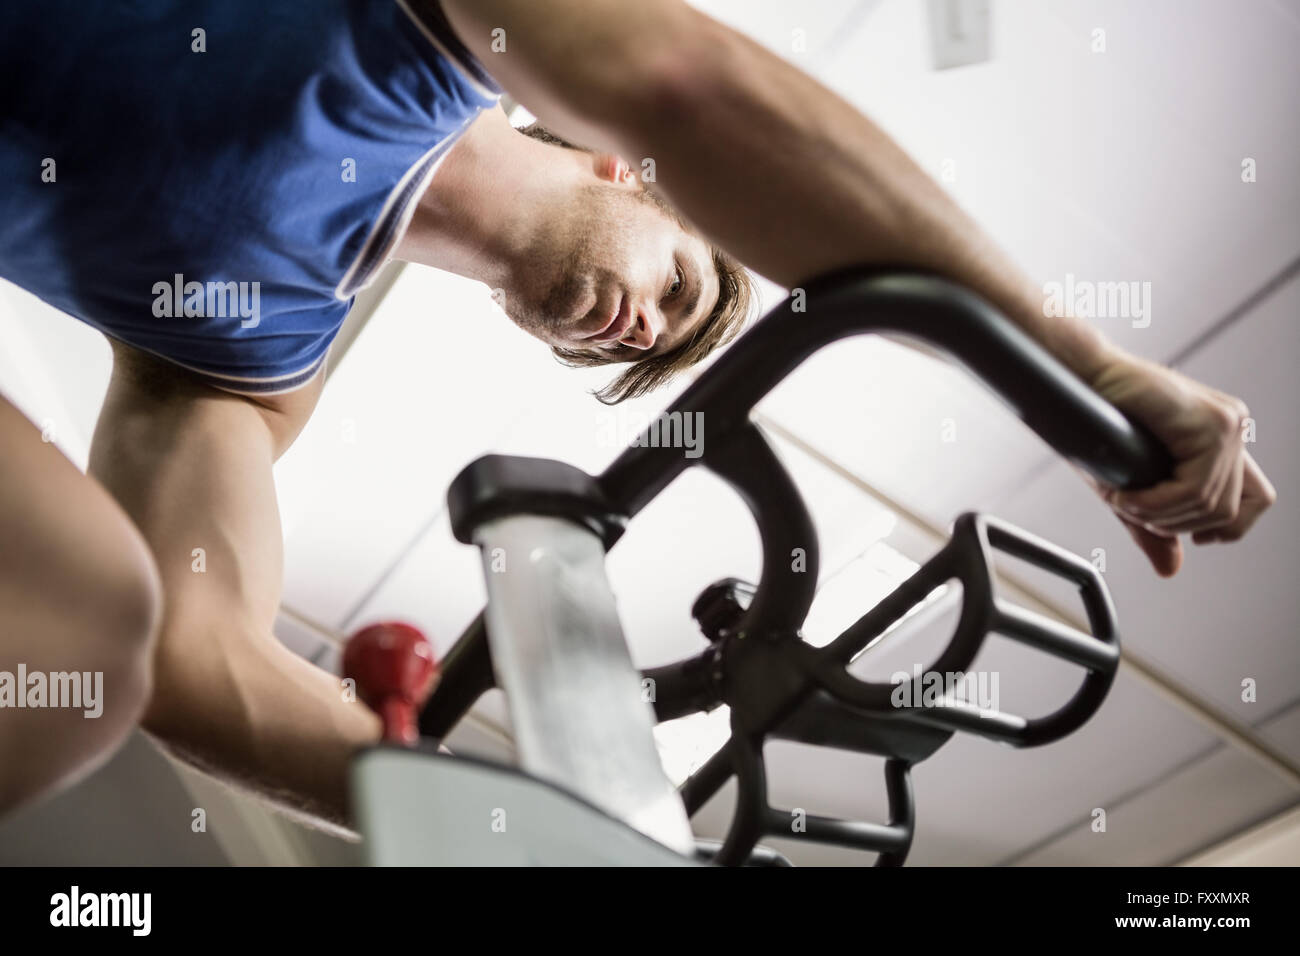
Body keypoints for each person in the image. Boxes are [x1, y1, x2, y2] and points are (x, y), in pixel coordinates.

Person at [0, 0, 1274, 828]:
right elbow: (678, 79)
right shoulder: (429, 40)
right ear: (627, 169)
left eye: (650, 346)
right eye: (684, 280)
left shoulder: (250, 365)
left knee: (75, 642)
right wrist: (1082, 370)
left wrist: (520, 827)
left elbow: (179, 650)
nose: (650, 324)